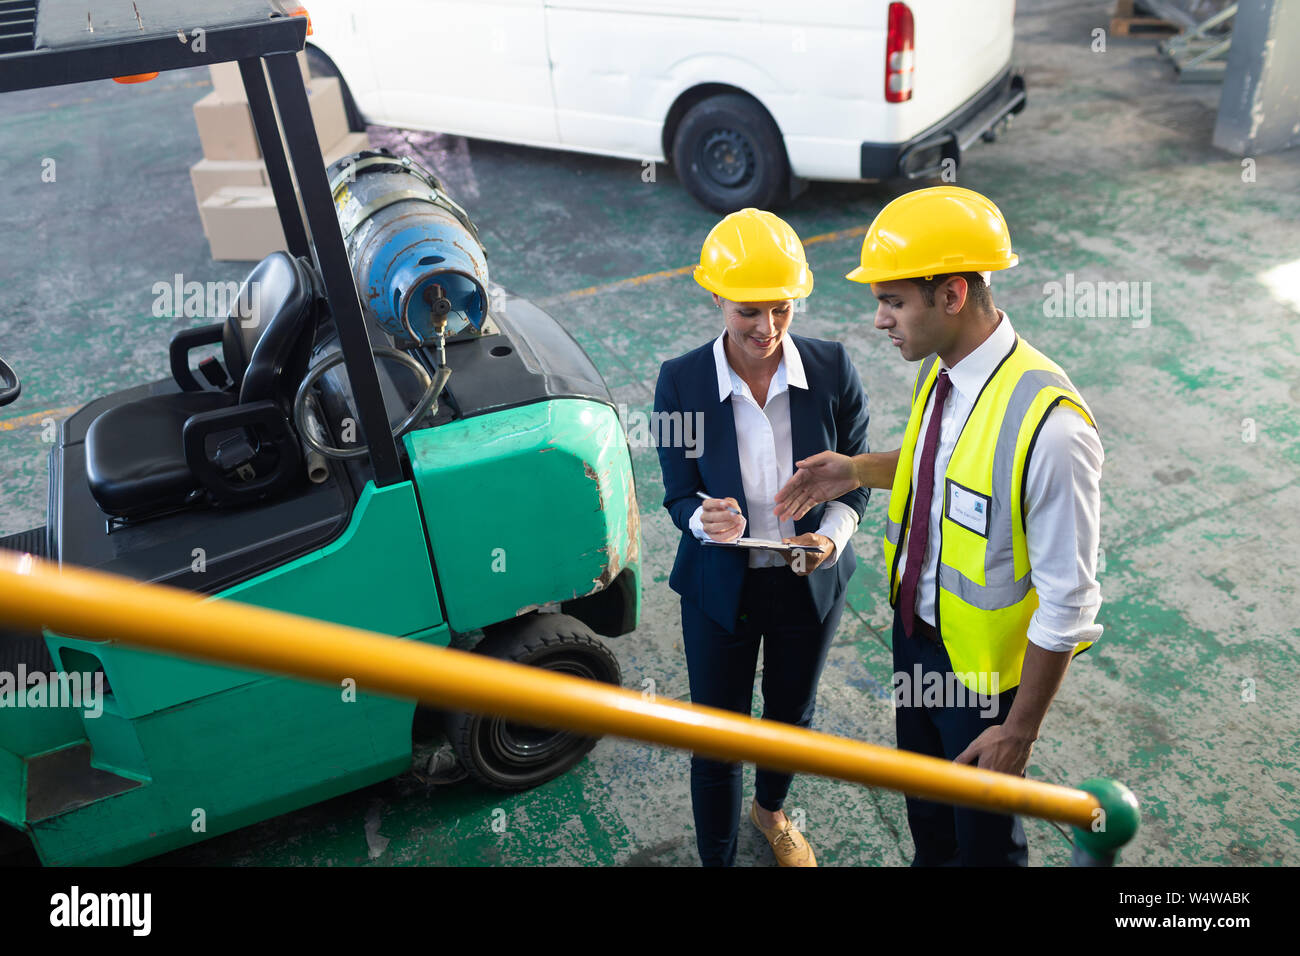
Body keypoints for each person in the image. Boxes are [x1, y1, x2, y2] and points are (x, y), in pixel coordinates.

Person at [773, 186, 1104, 866]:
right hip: (916, 645)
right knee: (928, 819)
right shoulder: (946, 373)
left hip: (984, 685)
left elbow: (1069, 605)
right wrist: (855, 470)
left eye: (893, 302)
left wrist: (1019, 730)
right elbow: (941, 466)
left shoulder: (1052, 429)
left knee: (985, 847)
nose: (879, 320)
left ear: (951, 294)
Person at [654, 208, 870, 867]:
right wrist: (702, 520)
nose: (766, 329)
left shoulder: (832, 369)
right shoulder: (681, 382)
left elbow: (857, 479)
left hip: (810, 581)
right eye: (749, 311)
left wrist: (830, 538)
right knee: (717, 733)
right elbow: (676, 492)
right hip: (721, 587)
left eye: (781, 309)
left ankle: (770, 811)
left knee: (790, 715)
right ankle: (716, 856)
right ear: (715, 295)